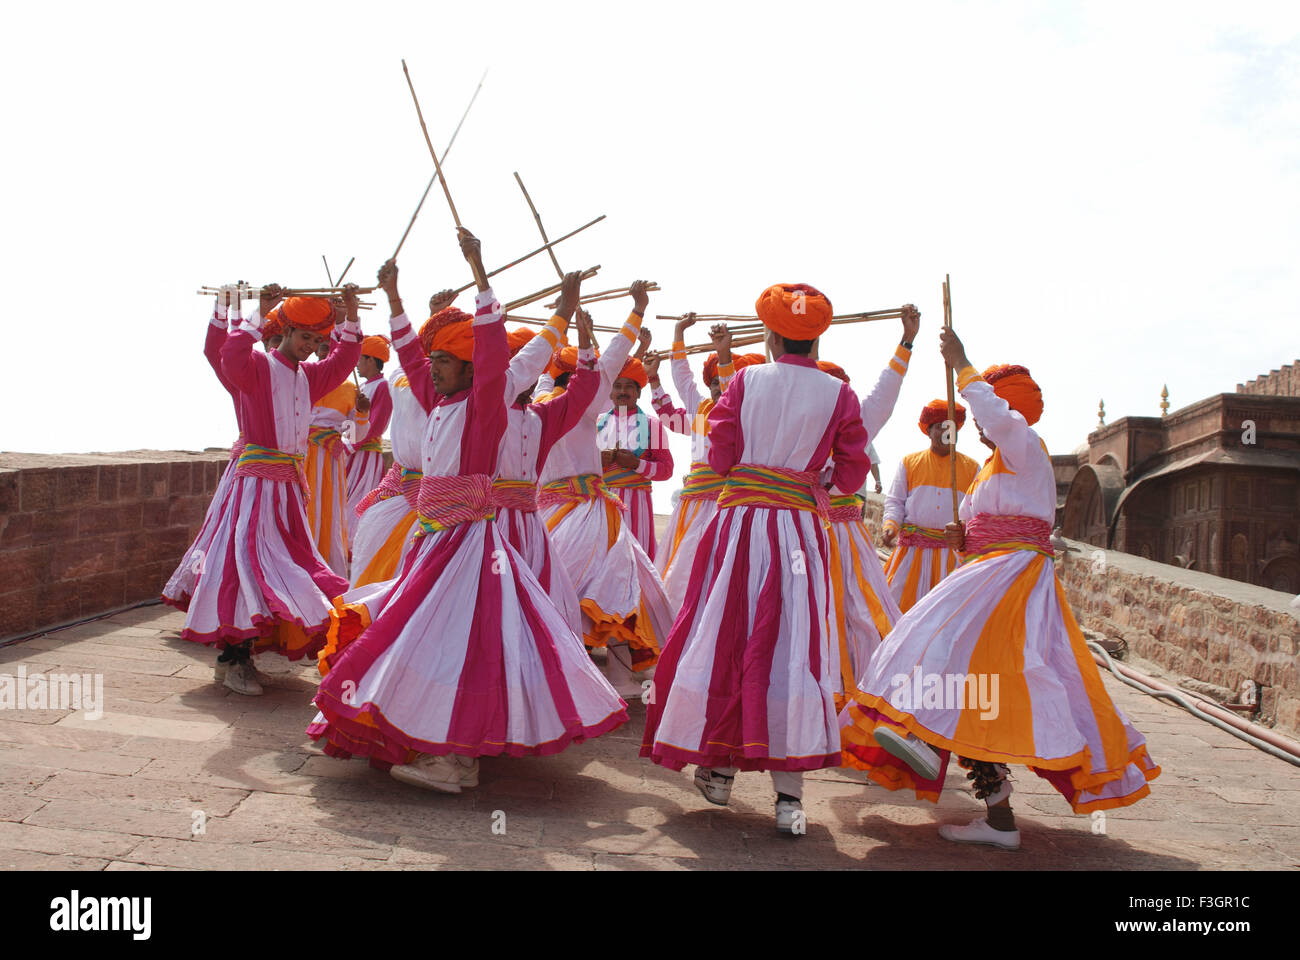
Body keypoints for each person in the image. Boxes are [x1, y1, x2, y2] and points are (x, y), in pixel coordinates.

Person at [308, 233, 627, 793]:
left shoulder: (490, 407)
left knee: (455, 638)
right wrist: (394, 296)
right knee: (447, 636)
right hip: (441, 538)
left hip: (472, 542)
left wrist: (504, 283)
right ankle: (450, 745)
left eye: (444, 362)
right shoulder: (442, 399)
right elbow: (409, 353)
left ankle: (454, 755)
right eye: (431, 363)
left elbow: (526, 357)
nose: (430, 371)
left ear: (474, 368)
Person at [841, 327, 1161, 849]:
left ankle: (920, 733)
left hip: (1010, 579)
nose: (977, 433)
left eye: (987, 420)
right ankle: (994, 811)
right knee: (971, 677)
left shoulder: (1023, 443)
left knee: (936, 646)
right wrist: (963, 536)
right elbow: (986, 525)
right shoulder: (996, 464)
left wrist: (962, 365)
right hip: (990, 570)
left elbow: (996, 420)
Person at [641, 282, 871, 834]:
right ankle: (789, 798)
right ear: (817, 339)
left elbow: (719, 454)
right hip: (798, 530)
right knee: (794, 645)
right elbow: (851, 473)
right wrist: (807, 479)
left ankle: (717, 769)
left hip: (740, 524)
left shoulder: (745, 380)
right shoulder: (838, 393)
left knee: (724, 634)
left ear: (769, 336)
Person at [178, 284, 362, 695]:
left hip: (288, 493)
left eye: (317, 340)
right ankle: (235, 658)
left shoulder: (310, 377)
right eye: (304, 336)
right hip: (255, 489)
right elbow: (226, 354)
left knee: (286, 569)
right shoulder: (257, 369)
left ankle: (239, 656)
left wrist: (350, 314)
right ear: (286, 330)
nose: (311, 346)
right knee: (248, 567)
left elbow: (345, 358)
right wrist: (258, 309)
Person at [536, 284, 675, 698]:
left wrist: (564, 320)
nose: (617, 390)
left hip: (551, 514)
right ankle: (609, 676)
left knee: (559, 589)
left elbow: (542, 366)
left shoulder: (537, 406)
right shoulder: (583, 409)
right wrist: (636, 314)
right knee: (612, 590)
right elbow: (609, 361)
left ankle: (571, 672)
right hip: (590, 514)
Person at [807, 312, 920, 712]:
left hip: (842, 534)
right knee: (808, 611)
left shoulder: (856, 422)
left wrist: (905, 345)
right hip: (802, 530)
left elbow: (884, 394)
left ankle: (863, 694)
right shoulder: (800, 421)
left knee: (859, 613)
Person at [648, 317, 763, 610]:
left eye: (722, 382)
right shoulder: (701, 412)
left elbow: (732, 390)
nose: (717, 389)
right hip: (693, 506)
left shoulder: (745, 415)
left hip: (728, 504)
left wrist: (724, 356)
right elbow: (682, 379)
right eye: (712, 383)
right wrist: (677, 335)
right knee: (681, 573)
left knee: (719, 571)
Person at [163, 290, 245, 611]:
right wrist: (224, 308)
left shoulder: (302, 376)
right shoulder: (246, 377)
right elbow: (217, 351)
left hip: (299, 472)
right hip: (248, 471)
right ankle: (219, 598)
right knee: (229, 534)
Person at [880, 399, 981, 613]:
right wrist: (891, 525)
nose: (946, 432)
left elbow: (977, 513)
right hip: (911, 553)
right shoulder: (909, 463)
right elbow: (895, 502)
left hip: (951, 556)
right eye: (940, 427)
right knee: (897, 610)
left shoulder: (972, 469)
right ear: (929, 431)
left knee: (944, 615)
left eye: (950, 428)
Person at [597, 334, 674, 558]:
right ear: (610, 392)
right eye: (617, 386)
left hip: (637, 506)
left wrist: (636, 464)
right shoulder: (595, 423)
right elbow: (578, 466)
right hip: (601, 504)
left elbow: (667, 470)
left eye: (629, 387)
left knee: (634, 561)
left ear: (638, 392)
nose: (622, 392)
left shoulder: (654, 425)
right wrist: (597, 461)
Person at [343, 335, 394, 546]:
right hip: (353, 451)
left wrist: (348, 446)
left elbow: (375, 424)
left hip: (363, 454)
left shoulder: (382, 386)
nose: (356, 364)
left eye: (360, 359)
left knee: (359, 500)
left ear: (371, 360)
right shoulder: (363, 387)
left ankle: (355, 545)